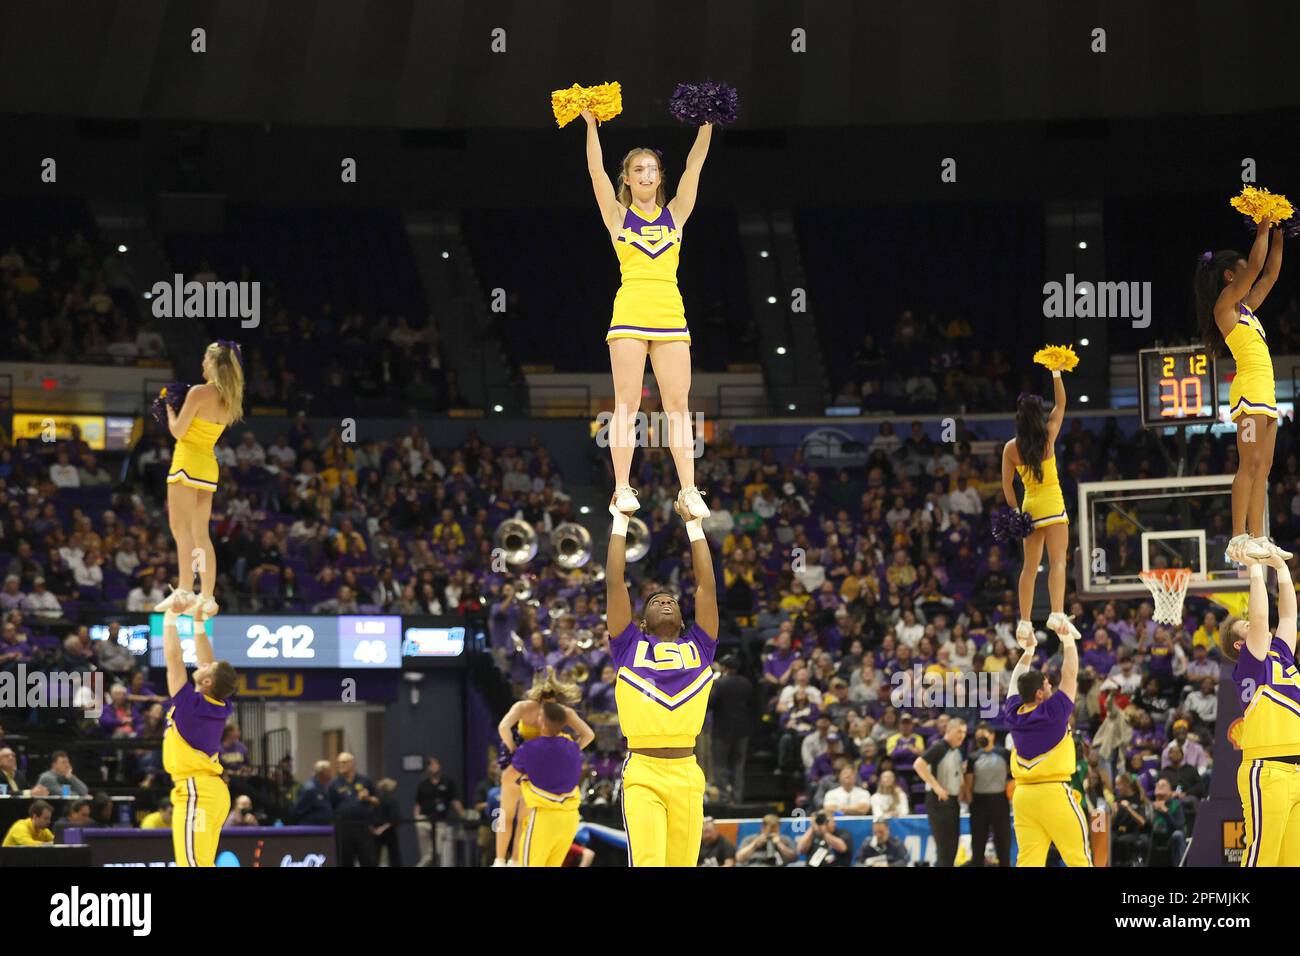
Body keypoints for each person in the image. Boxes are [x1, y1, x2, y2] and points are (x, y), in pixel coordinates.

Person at [581, 107, 714, 521]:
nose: (644, 174)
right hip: (630, 312)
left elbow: (695, 164)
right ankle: (622, 488)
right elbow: (596, 174)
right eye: (637, 169)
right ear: (628, 177)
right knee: (625, 405)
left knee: (678, 405)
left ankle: (689, 490)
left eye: (651, 168)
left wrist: (707, 121)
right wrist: (590, 126)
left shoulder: (676, 213)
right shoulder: (618, 216)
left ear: (660, 176)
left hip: (671, 313)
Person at [606, 494, 719, 867]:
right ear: (643, 620)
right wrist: (620, 522)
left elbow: (706, 589)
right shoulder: (628, 644)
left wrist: (694, 525)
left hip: (687, 772)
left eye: (671, 600)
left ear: (683, 619)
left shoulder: (700, 646)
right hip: (643, 770)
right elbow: (615, 585)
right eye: (656, 601)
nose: (666, 601)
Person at [1194, 222, 1291, 562]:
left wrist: (1279, 231)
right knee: (1248, 465)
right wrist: (1262, 225)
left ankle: (1259, 537)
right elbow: (1255, 268)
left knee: (1263, 468)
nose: (1248, 274)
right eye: (1241, 271)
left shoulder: (1246, 308)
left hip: (1267, 391)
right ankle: (1237, 538)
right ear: (1229, 278)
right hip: (1249, 388)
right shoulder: (1224, 307)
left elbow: (1270, 274)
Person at [1219, 546, 1300, 866]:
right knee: (1261, 858)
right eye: (1247, 628)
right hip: (1266, 770)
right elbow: (1261, 615)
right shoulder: (1250, 663)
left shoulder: (1280, 654)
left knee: (1291, 860)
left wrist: (1280, 568)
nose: (1258, 627)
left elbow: (1290, 615)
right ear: (1240, 645)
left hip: (1295, 770)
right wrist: (1254, 568)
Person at [153, 340, 245, 619]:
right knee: (201, 534)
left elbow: (179, 431)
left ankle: (183, 590)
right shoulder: (232, 399)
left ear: (215, 363)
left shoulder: (199, 392)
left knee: (181, 531)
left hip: (186, 462)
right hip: (208, 467)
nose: (202, 364)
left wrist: (169, 408)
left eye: (206, 360)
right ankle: (207, 596)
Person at [1003, 618, 1091, 866]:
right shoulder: (1053, 712)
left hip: (1023, 797)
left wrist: (1028, 651)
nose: (1050, 684)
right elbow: (1070, 675)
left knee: (1028, 861)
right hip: (1053, 793)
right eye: (1046, 683)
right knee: (1078, 857)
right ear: (1040, 694)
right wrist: (1068, 640)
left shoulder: (1013, 714)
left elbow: (1015, 681)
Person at [1001, 360, 1079, 643]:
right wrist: (1056, 372)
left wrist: (1014, 512)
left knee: (1029, 569)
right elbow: (1061, 405)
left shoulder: (1011, 447)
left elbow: (1006, 484)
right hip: (1053, 506)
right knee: (1058, 561)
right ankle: (1056, 612)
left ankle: (1024, 622)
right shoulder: (1048, 437)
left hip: (1030, 509)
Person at [493, 670, 594, 866]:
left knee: (508, 814)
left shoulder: (524, 707)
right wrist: (570, 750)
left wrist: (514, 748)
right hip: (538, 767)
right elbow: (588, 735)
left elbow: (503, 727)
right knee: (523, 817)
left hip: (524, 761)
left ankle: (502, 860)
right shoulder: (561, 711)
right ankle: (510, 860)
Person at [162, 602, 236, 866]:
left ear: (207, 683)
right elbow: (209, 663)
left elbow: (173, 658)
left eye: (207, 669)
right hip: (209, 790)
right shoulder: (217, 703)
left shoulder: (190, 707)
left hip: (198, 790)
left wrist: (170, 617)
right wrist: (197, 623)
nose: (204, 664)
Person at [511, 701, 587, 867]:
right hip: (570, 818)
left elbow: (515, 763)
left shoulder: (529, 748)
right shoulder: (573, 747)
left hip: (543, 817)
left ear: (542, 722)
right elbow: (589, 734)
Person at [913, 718, 968, 866]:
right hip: (939, 803)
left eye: (964, 732)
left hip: (953, 802)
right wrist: (936, 787)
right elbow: (918, 764)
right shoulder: (939, 747)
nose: (962, 736)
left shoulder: (957, 751)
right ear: (949, 730)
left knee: (952, 849)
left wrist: (963, 790)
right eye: (959, 732)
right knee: (945, 849)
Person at [962, 723, 1012, 866]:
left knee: (1003, 843)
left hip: (1000, 801)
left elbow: (1011, 773)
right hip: (979, 803)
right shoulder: (973, 757)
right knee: (978, 843)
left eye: (983, 735)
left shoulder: (1004, 753)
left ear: (992, 735)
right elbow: (969, 783)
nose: (981, 738)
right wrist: (970, 801)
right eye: (978, 737)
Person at [709, 654, 754, 804]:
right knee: (738, 765)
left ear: (724, 668)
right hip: (742, 731)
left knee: (720, 764)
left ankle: (724, 798)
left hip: (722, 731)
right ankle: (738, 797)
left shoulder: (720, 684)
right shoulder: (746, 683)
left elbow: (709, 704)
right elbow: (754, 706)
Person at [331, 752, 379, 867]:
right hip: (343, 828)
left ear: (352, 764)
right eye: (338, 763)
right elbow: (331, 805)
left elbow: (377, 801)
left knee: (368, 859)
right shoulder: (334, 784)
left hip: (362, 826)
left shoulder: (364, 780)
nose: (340, 765)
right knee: (345, 861)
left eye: (343, 762)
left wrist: (368, 798)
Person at [415, 757, 465, 867]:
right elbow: (418, 803)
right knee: (425, 852)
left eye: (435, 764)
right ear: (427, 768)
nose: (434, 767)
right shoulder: (423, 784)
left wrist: (463, 814)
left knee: (436, 851)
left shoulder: (447, 782)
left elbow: (454, 801)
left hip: (440, 821)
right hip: (424, 821)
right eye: (431, 765)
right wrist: (416, 819)